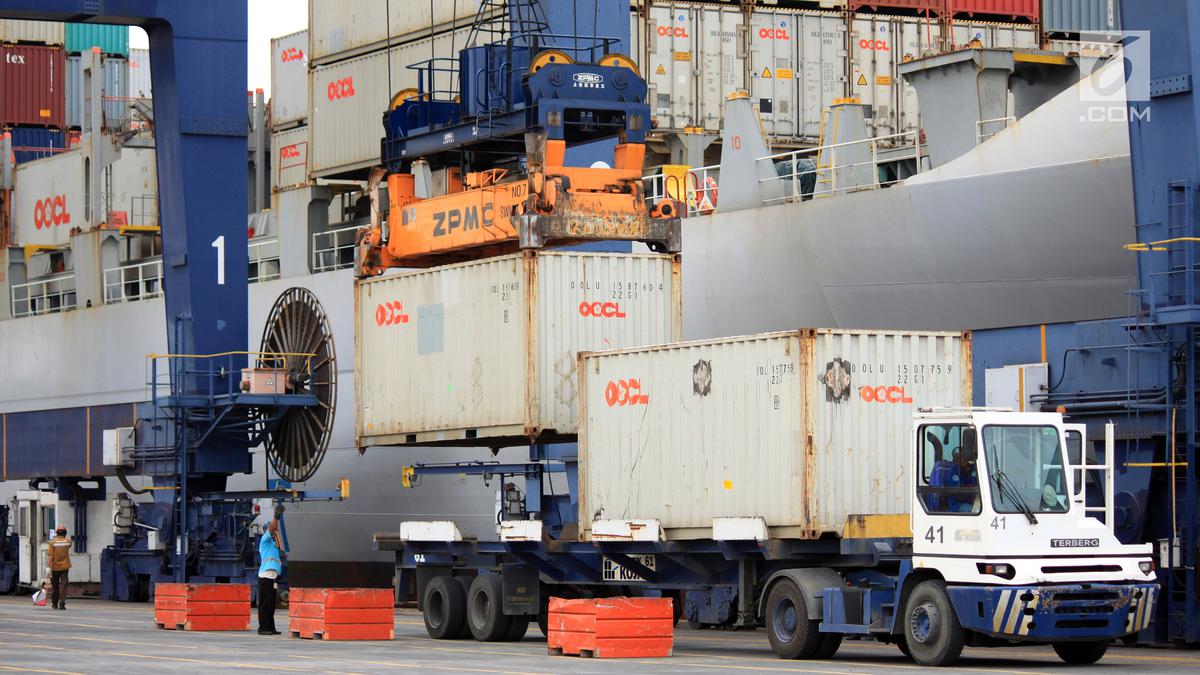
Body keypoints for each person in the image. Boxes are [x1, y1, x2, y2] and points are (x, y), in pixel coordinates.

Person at [257, 505, 286, 635]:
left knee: (271, 604)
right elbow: (272, 527)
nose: (276, 531)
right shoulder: (265, 540)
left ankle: (270, 627)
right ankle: (263, 628)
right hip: (265, 577)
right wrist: (276, 517)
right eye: (274, 529)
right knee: (265, 604)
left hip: (272, 577)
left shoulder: (273, 544)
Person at [49, 526, 71, 610]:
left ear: (57, 533)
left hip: (54, 567)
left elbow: (50, 556)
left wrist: (48, 568)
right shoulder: (68, 541)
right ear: (65, 533)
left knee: (55, 586)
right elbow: (69, 545)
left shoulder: (52, 543)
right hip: (65, 567)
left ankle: (54, 604)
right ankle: (62, 603)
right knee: (63, 585)